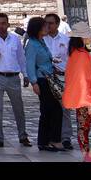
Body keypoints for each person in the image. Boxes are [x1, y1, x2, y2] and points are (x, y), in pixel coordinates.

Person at [0, 12, 31, 148]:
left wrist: (25, 74)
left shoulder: (15, 39)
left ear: (8, 24)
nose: (1, 26)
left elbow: (21, 58)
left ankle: (23, 135)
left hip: (13, 77)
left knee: (18, 108)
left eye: (3, 23)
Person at [24, 16, 62, 151]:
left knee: (53, 109)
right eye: (44, 26)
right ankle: (48, 140)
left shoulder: (41, 42)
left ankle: (49, 139)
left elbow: (45, 59)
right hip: (42, 80)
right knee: (48, 110)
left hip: (49, 78)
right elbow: (29, 64)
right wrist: (34, 83)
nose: (47, 28)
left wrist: (53, 62)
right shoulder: (32, 44)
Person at [44, 12, 73, 149]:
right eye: (46, 23)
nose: (48, 26)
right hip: (47, 77)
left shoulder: (66, 40)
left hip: (63, 76)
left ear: (57, 24)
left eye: (51, 23)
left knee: (65, 108)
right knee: (49, 108)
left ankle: (66, 137)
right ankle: (52, 136)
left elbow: (71, 59)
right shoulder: (42, 40)